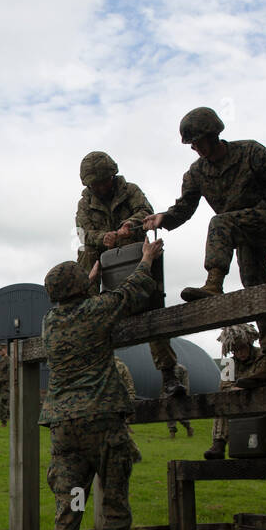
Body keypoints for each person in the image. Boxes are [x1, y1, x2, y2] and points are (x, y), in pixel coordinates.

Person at [130, 107, 266, 388]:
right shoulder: (196, 173)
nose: (196, 148)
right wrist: (163, 218)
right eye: (192, 145)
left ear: (215, 134)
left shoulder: (250, 152)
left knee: (219, 223)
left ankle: (214, 283)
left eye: (200, 141)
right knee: (257, 286)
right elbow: (185, 208)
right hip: (240, 233)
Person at [40, 239, 163, 530]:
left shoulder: (50, 322)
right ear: (82, 288)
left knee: (70, 509)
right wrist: (146, 259)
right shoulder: (97, 311)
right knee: (113, 507)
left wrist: (85, 280)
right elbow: (132, 290)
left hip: (64, 431)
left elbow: (78, 298)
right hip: (103, 425)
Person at [76, 151, 184, 398]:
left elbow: (146, 211)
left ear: (112, 176)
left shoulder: (130, 190)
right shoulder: (85, 203)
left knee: (154, 311)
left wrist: (128, 226)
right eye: (94, 184)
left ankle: (169, 375)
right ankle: (84, 305)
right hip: (104, 263)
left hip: (137, 259)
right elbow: (83, 233)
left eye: (103, 181)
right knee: (83, 252)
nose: (100, 187)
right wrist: (104, 237)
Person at [207, 323, 266, 515]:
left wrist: (250, 388)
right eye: (236, 350)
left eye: (242, 348)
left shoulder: (264, 357)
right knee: (220, 405)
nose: (240, 353)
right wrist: (237, 390)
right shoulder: (229, 364)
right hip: (239, 412)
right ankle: (218, 443)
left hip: (263, 412)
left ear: (249, 343)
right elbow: (224, 387)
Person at [166, 361, 193, 437]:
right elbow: (165, 383)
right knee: (170, 414)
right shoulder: (165, 369)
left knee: (180, 413)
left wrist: (185, 395)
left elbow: (185, 383)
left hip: (180, 394)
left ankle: (188, 427)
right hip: (169, 395)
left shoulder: (181, 369)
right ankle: (172, 432)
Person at [0, 342, 11, 426]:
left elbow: (9, 375)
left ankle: (4, 422)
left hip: (6, 386)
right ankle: (3, 421)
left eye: (0, 350)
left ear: (5, 349)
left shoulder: (8, 360)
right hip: (0, 386)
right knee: (0, 405)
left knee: (3, 404)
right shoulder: (1, 360)